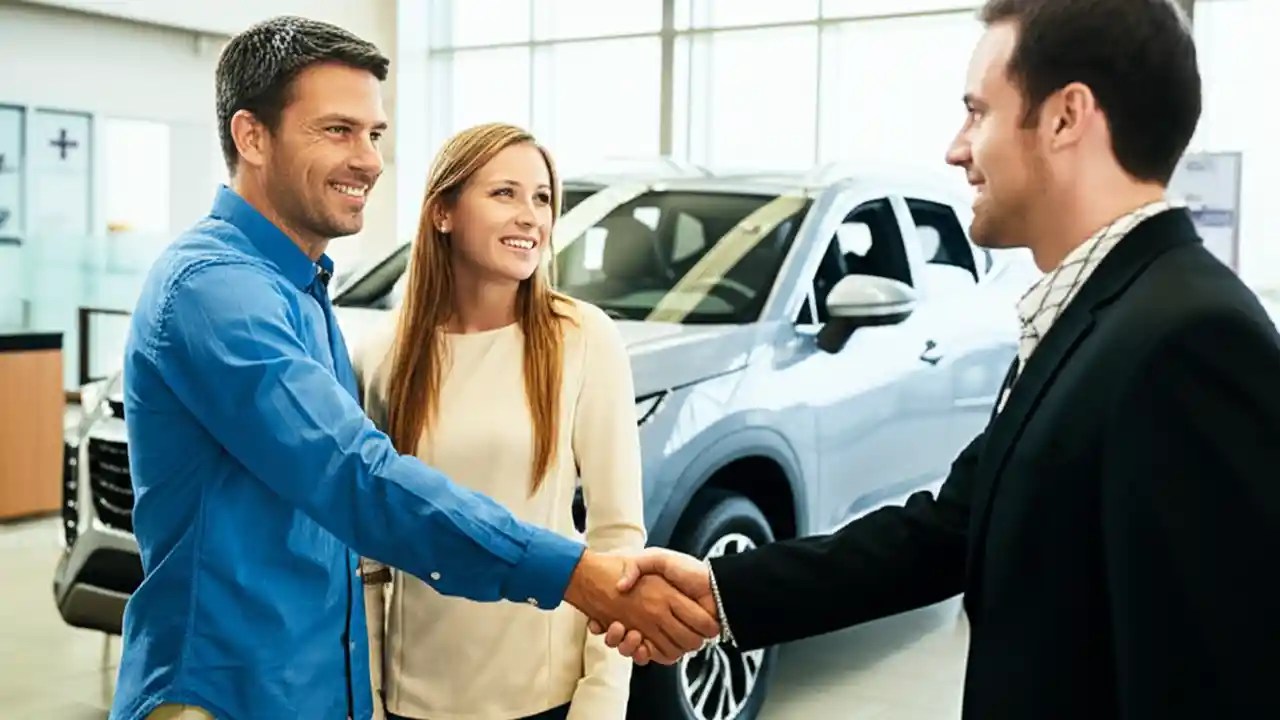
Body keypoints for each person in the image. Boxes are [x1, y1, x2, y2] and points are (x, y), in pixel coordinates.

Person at [594, 1, 1280, 718]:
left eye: (977, 112)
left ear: (1066, 118)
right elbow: (947, 531)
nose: (957, 150)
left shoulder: (1191, 340)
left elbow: (1212, 677)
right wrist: (722, 592)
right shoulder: (1100, 313)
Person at [110, 17, 717, 720]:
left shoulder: (302, 294)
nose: (368, 160)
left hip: (318, 689)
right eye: (337, 130)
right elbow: (356, 479)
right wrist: (577, 574)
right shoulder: (216, 291)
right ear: (252, 137)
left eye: (374, 135)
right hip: (227, 695)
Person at [353, 122, 646, 720]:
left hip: (547, 699)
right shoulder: (382, 356)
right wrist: (373, 703)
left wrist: (602, 701)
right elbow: (369, 562)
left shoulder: (583, 339)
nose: (530, 216)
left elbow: (618, 539)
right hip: (417, 701)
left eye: (542, 198)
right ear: (443, 212)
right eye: (504, 193)